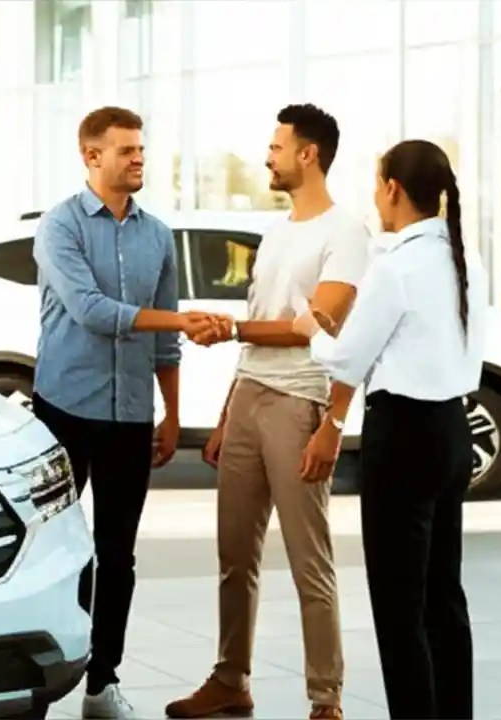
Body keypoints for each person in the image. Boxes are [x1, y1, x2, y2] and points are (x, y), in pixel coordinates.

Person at [165, 103, 369, 720]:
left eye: (277, 148)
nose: (268, 157)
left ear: (309, 154)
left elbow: (316, 326)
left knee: (310, 561)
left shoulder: (346, 233)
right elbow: (260, 329)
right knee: (234, 557)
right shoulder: (276, 232)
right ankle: (230, 680)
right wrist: (228, 413)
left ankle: (326, 700)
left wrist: (331, 424)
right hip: (250, 397)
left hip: (300, 402)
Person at [32, 105, 227, 719]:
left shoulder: (157, 235)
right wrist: (182, 320)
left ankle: (101, 683)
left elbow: (165, 342)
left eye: (141, 148)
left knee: (118, 556)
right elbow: (92, 311)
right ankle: (41, 681)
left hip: (131, 416)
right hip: (64, 410)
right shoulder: (59, 226)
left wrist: (172, 414)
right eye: (126, 150)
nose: (139, 158)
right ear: (92, 156)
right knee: (54, 553)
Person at [292, 139, 484, 719]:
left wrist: (310, 328)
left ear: (393, 189)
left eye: (378, 185)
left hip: (403, 436)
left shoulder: (396, 267)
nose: (376, 196)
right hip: (453, 429)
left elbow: (346, 358)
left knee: (400, 607)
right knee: (443, 597)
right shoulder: (463, 260)